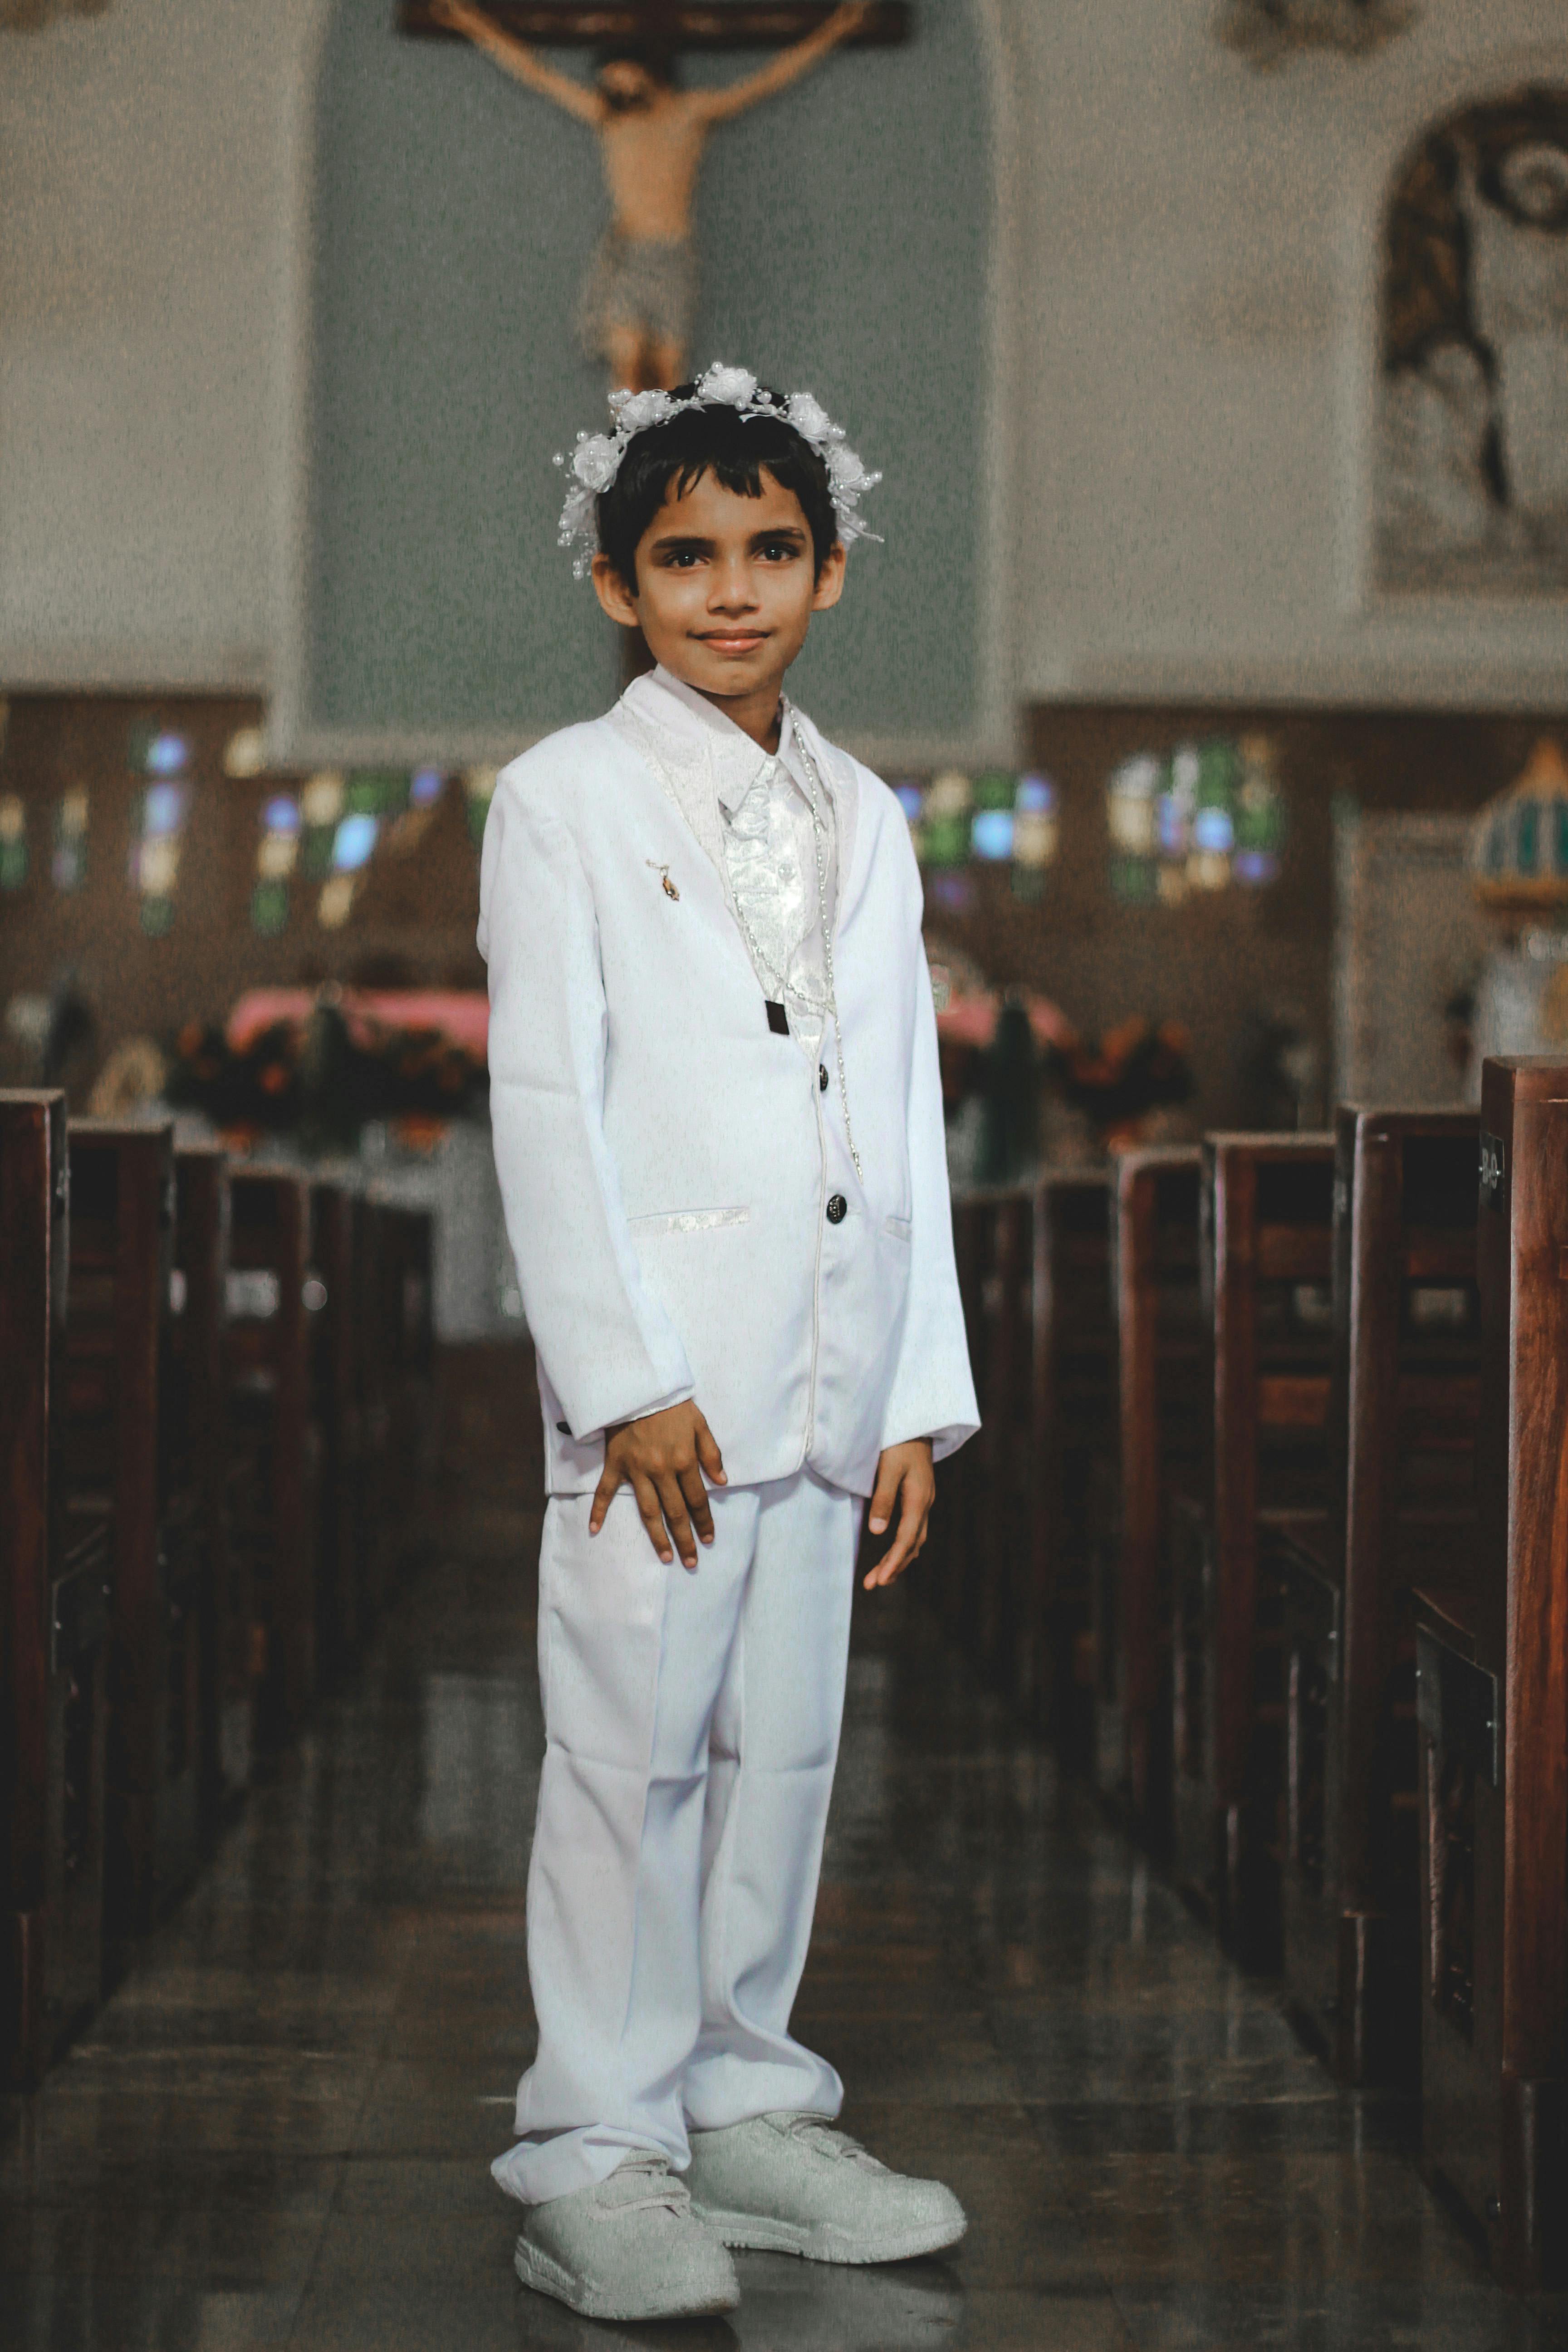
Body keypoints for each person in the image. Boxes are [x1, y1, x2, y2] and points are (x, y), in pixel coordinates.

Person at [477, 362, 979, 2323]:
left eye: (770, 550)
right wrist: (624, 1378)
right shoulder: (565, 798)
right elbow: (546, 1099)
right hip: (664, 1394)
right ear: (619, 586)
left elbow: (903, 1105)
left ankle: (742, 2092)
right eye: (684, 557)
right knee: (633, 1754)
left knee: (783, 1748)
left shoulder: (866, 810)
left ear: (829, 568)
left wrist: (913, 1391)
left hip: (831, 1368)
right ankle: (594, 2142)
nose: (732, 589)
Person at [431, 0, 872, 389]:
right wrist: (472, 22)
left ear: (645, 69)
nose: (616, 89)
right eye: (610, 85)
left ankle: (666, 457)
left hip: (675, 256)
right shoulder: (609, 118)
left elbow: (769, 80)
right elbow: (537, 74)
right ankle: (620, 455)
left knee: (668, 376)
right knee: (627, 371)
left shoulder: (690, 114)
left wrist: (836, 28)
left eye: (620, 79)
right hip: (630, 253)